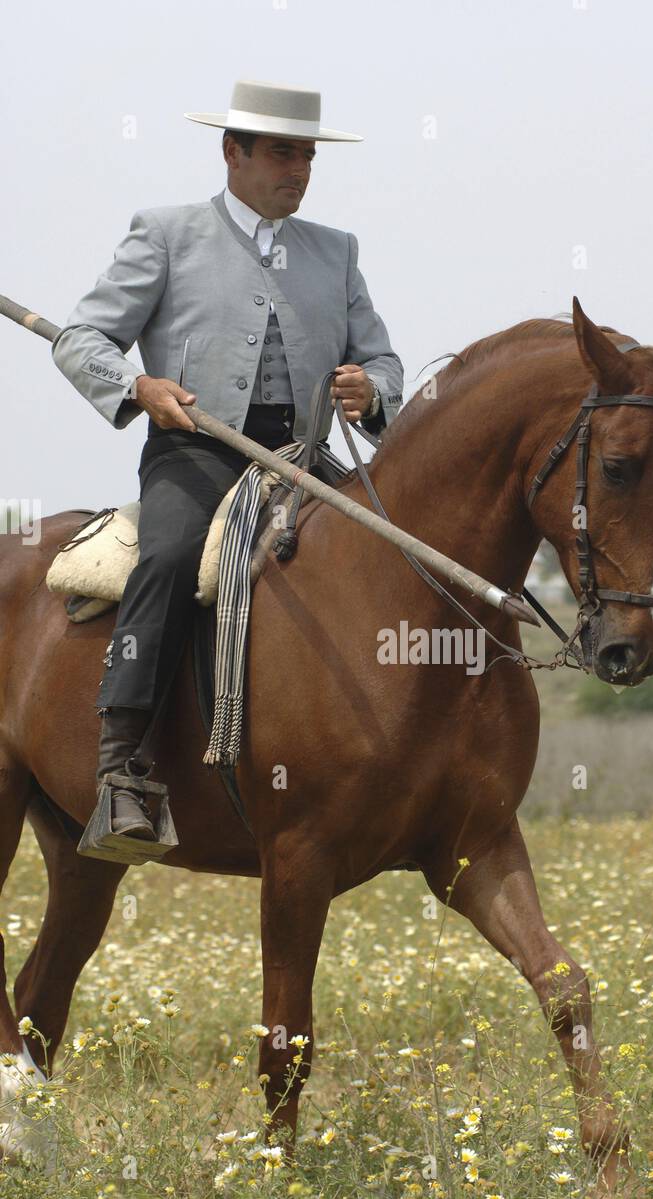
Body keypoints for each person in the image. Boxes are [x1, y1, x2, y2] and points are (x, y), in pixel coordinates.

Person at [52, 80, 404, 850]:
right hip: (195, 451)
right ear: (232, 152)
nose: (299, 169)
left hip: (306, 462)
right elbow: (81, 339)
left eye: (307, 155)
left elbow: (381, 359)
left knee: (394, 557)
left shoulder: (335, 252)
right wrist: (137, 387)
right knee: (172, 554)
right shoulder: (167, 233)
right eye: (282, 153)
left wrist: (368, 389)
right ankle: (122, 771)